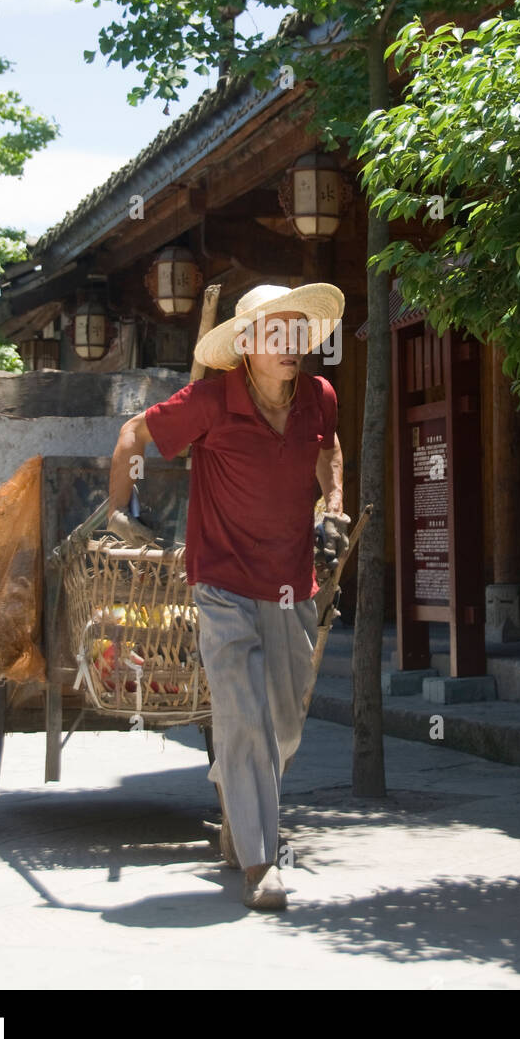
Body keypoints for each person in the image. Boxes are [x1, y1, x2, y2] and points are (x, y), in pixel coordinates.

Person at [107, 282, 350, 911]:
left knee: (286, 726)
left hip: (292, 581)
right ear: (246, 345)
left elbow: (329, 450)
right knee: (242, 717)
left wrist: (334, 505)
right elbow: (134, 433)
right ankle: (259, 862)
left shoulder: (317, 397)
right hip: (219, 584)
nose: (291, 344)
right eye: (276, 332)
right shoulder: (211, 401)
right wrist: (118, 507)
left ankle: (234, 789)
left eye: (298, 331)